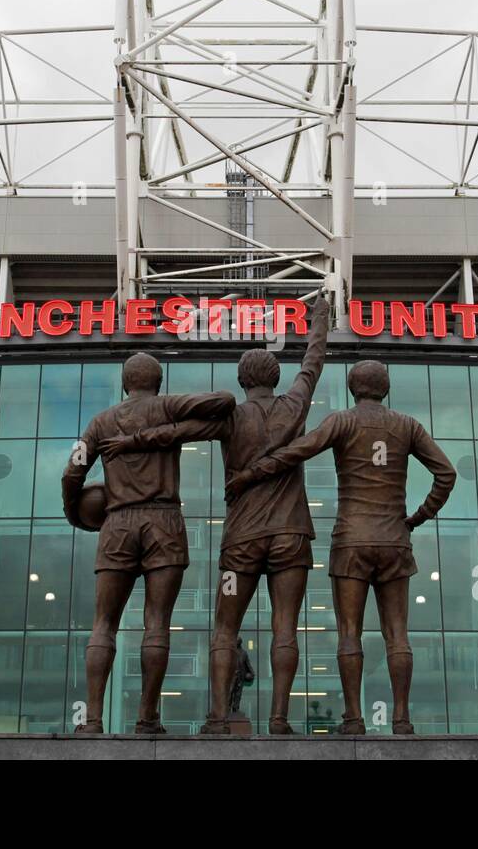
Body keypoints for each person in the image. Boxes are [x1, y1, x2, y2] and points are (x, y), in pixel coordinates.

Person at [98, 298, 331, 734]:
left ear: (242, 381)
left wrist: (130, 442)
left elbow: (177, 433)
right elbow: (313, 360)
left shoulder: (230, 417)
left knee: (226, 628)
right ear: (276, 377)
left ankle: (217, 718)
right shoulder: (295, 404)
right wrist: (320, 317)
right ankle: (279, 720)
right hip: (291, 536)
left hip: (241, 541)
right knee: (285, 628)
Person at [226, 359, 455, 735]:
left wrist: (250, 473)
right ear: (386, 388)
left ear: (352, 388)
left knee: (350, 633)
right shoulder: (407, 425)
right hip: (394, 539)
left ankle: (354, 718)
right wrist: (417, 517)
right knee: (397, 634)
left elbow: (296, 451)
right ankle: (401, 719)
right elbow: (446, 473)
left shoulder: (341, 421)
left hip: (351, 541)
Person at [62, 353, 235, 734]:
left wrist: (75, 513)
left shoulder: (101, 422)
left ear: (126, 384)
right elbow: (224, 400)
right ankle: (147, 718)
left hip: (118, 523)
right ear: (157, 382)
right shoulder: (167, 407)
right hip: (163, 521)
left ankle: (92, 720)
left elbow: (72, 470)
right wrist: (176, 421)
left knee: (103, 623)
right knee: (157, 622)